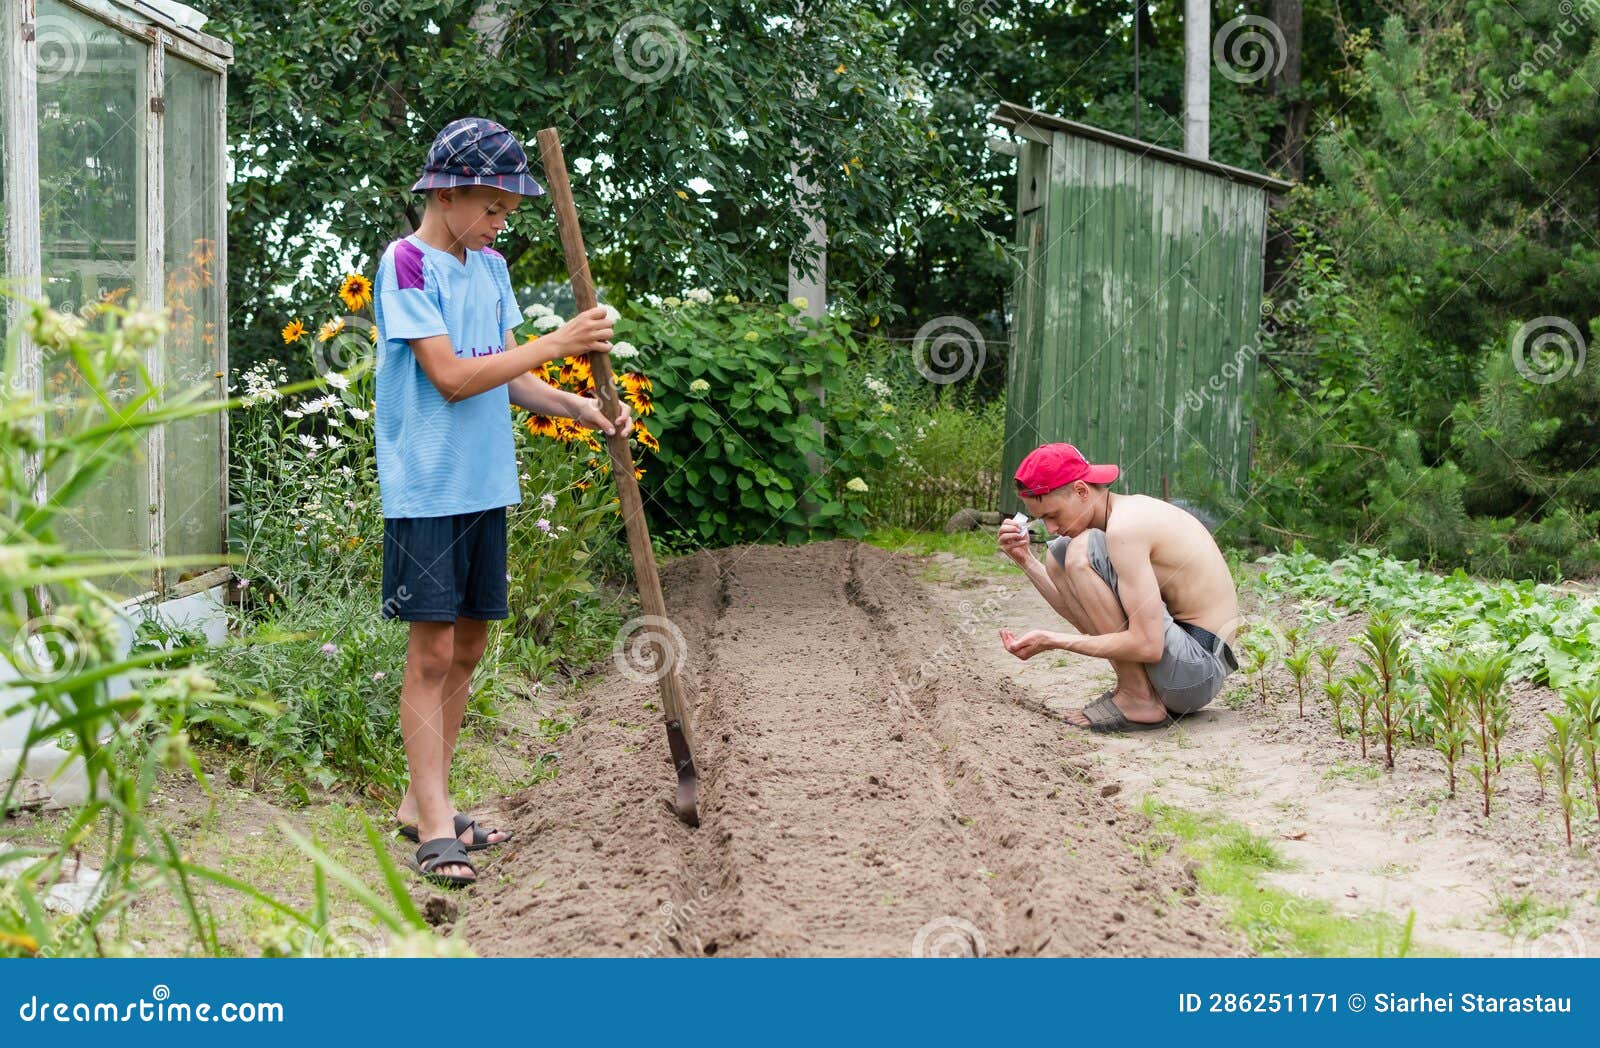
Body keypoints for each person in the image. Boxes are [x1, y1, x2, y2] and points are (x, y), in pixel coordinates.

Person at [374, 117, 631, 886]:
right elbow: (452, 378)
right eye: (492, 208)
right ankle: (431, 827)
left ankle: (429, 804)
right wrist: (558, 341)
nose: (499, 223)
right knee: (432, 652)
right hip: (427, 486)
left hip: (485, 484)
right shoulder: (407, 264)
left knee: (473, 647)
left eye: (509, 213)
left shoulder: (489, 269)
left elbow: (508, 376)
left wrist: (576, 407)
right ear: (449, 194)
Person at [997, 443, 1239, 732]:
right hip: (1181, 666)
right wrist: (1025, 561)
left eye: (1053, 515)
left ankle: (1139, 698)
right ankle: (1138, 692)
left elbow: (1148, 646)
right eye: (1042, 519)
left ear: (1082, 491)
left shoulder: (1126, 527)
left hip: (1197, 671)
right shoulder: (1116, 520)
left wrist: (1053, 640)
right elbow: (1078, 610)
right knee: (1058, 553)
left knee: (1079, 550)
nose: (1049, 527)